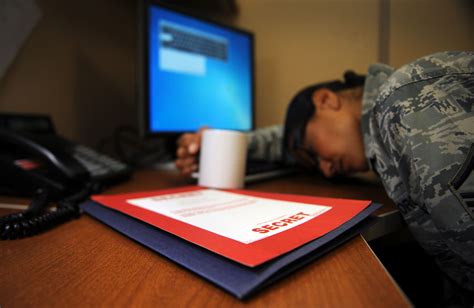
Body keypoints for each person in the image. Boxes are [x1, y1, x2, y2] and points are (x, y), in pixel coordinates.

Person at [175, 51, 474, 303]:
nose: (326, 169)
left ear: (326, 100)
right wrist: (219, 141)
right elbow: (284, 142)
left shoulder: (403, 103)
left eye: (313, 152)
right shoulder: (390, 115)